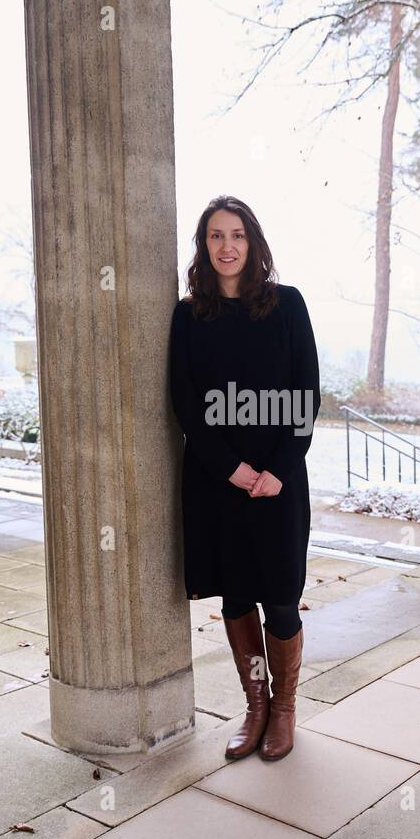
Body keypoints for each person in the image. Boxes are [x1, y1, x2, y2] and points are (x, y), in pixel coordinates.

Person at [168, 194, 320, 762]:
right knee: (236, 598)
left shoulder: (287, 305)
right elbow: (185, 403)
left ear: (252, 242)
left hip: (281, 482)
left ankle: (284, 710)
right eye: (215, 236)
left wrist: (277, 471)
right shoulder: (189, 315)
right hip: (217, 481)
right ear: (204, 247)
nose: (226, 246)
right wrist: (233, 470)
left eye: (236, 235)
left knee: (281, 599)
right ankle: (255, 706)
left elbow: (307, 393)